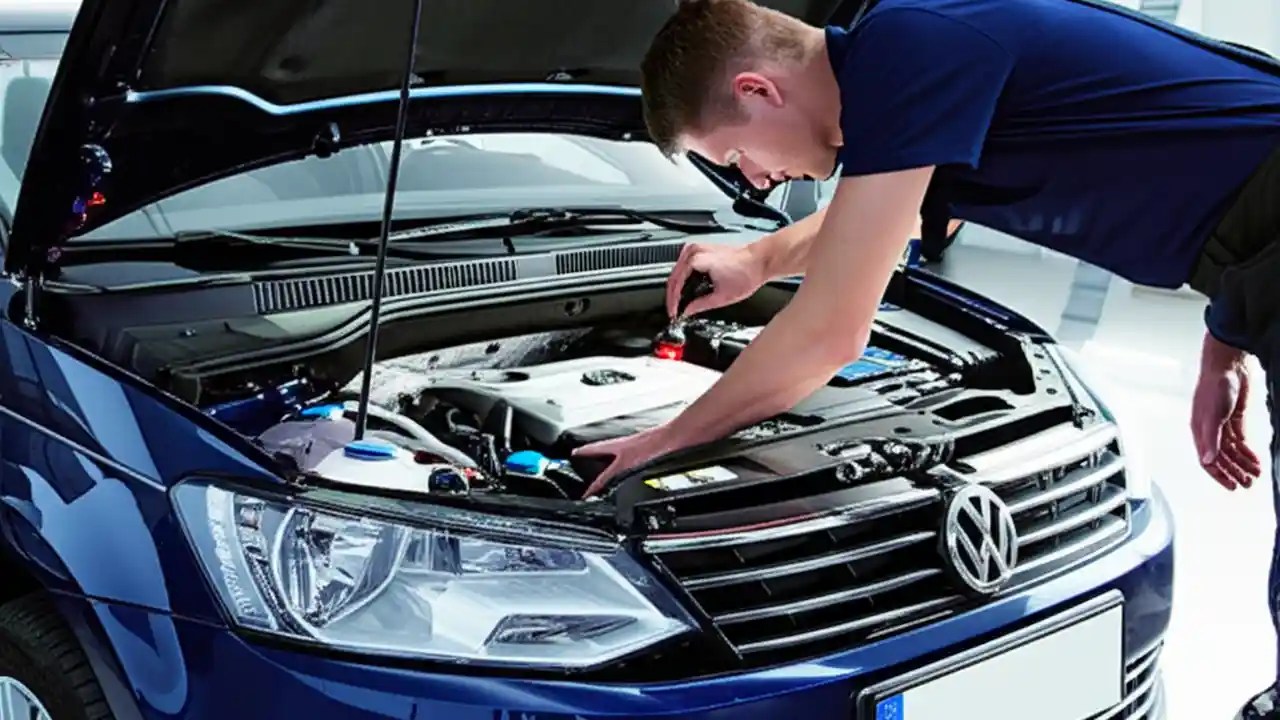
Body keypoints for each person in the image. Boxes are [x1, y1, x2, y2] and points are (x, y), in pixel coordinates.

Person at [570, 0, 1280, 714]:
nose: (753, 181)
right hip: (1253, 262)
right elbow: (893, 210)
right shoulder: (912, 70)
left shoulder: (911, 43)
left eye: (733, 156)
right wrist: (759, 258)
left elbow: (827, 335)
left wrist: (662, 444)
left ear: (759, 90)